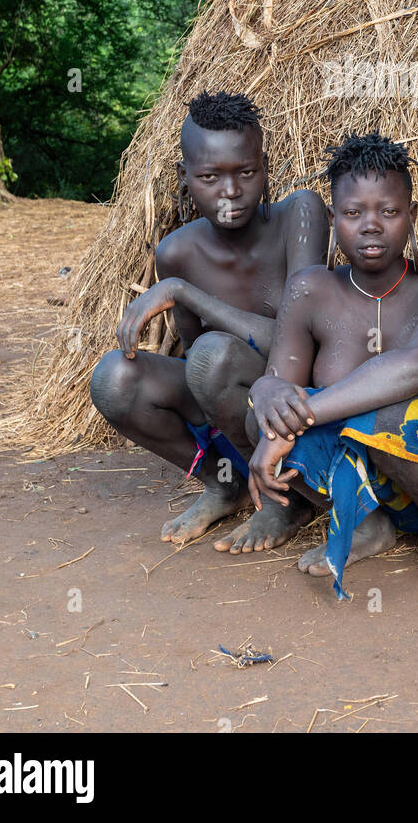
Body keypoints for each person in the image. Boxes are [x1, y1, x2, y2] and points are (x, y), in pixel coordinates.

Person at [243, 132, 418, 598]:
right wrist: (266, 394)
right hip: (370, 467)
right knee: (262, 418)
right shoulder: (310, 289)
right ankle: (369, 520)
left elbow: (417, 367)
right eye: (352, 213)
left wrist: (299, 415)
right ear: (332, 220)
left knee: (393, 406)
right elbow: (280, 384)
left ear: (412, 216)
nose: (371, 225)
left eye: (388, 211)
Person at [89, 90, 327, 548]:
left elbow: (296, 340)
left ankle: (285, 499)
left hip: (298, 394)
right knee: (114, 378)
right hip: (230, 398)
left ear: (265, 165)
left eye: (246, 172)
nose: (231, 191)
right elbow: (196, 358)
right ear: (184, 177)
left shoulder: (301, 214)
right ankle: (227, 483)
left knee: (215, 355)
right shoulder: (177, 251)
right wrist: (181, 285)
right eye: (209, 176)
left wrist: (182, 292)